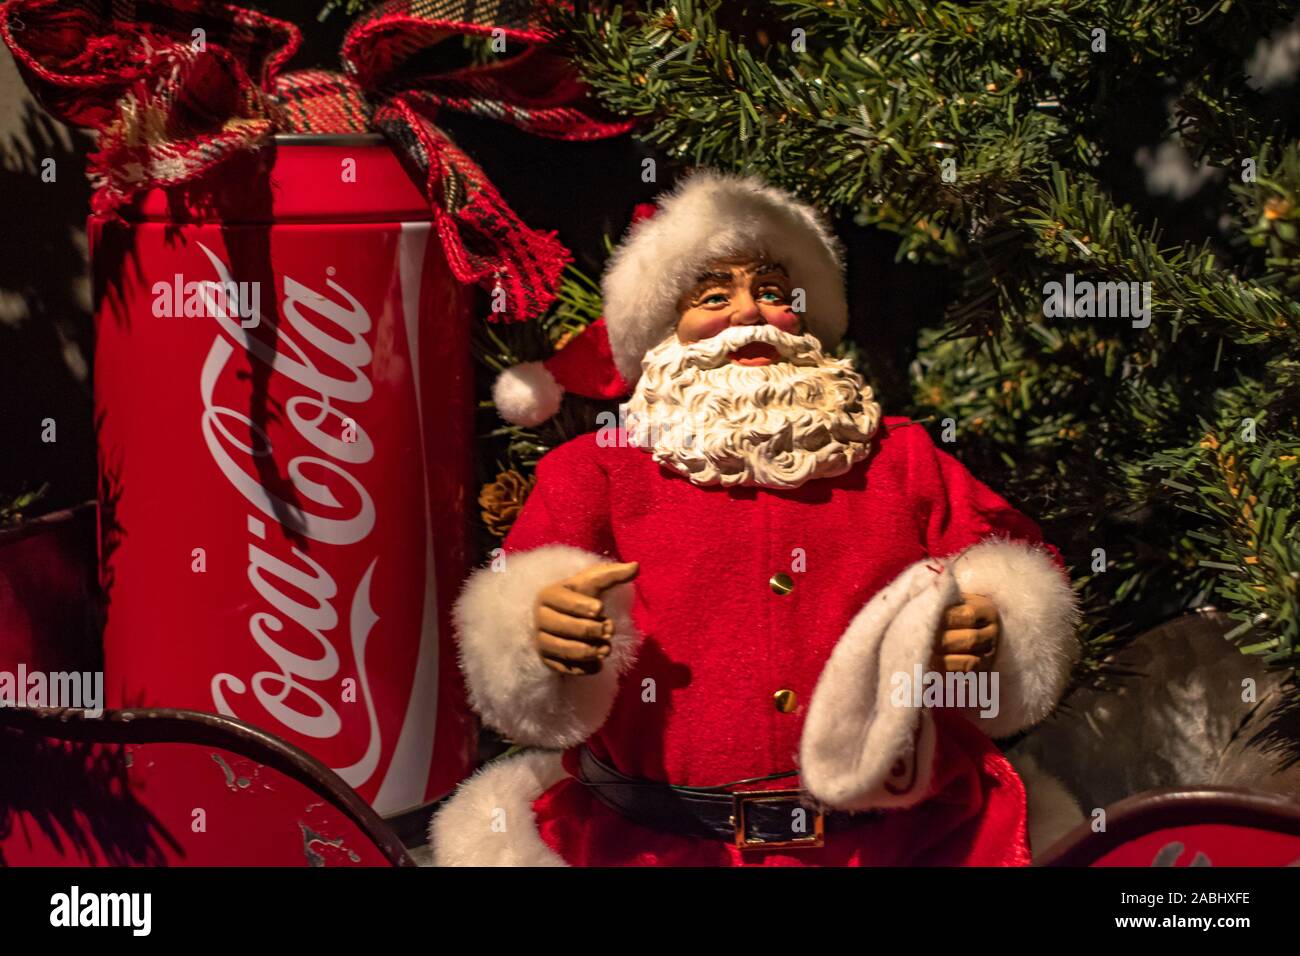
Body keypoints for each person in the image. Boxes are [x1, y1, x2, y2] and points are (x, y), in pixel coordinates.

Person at [432, 170, 1080, 866]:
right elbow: (514, 640)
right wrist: (536, 635)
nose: (749, 312)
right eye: (714, 296)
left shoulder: (904, 459)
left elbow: (1009, 582)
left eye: (773, 292)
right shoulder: (596, 472)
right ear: (663, 332)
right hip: (663, 849)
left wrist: (991, 632)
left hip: (901, 844)